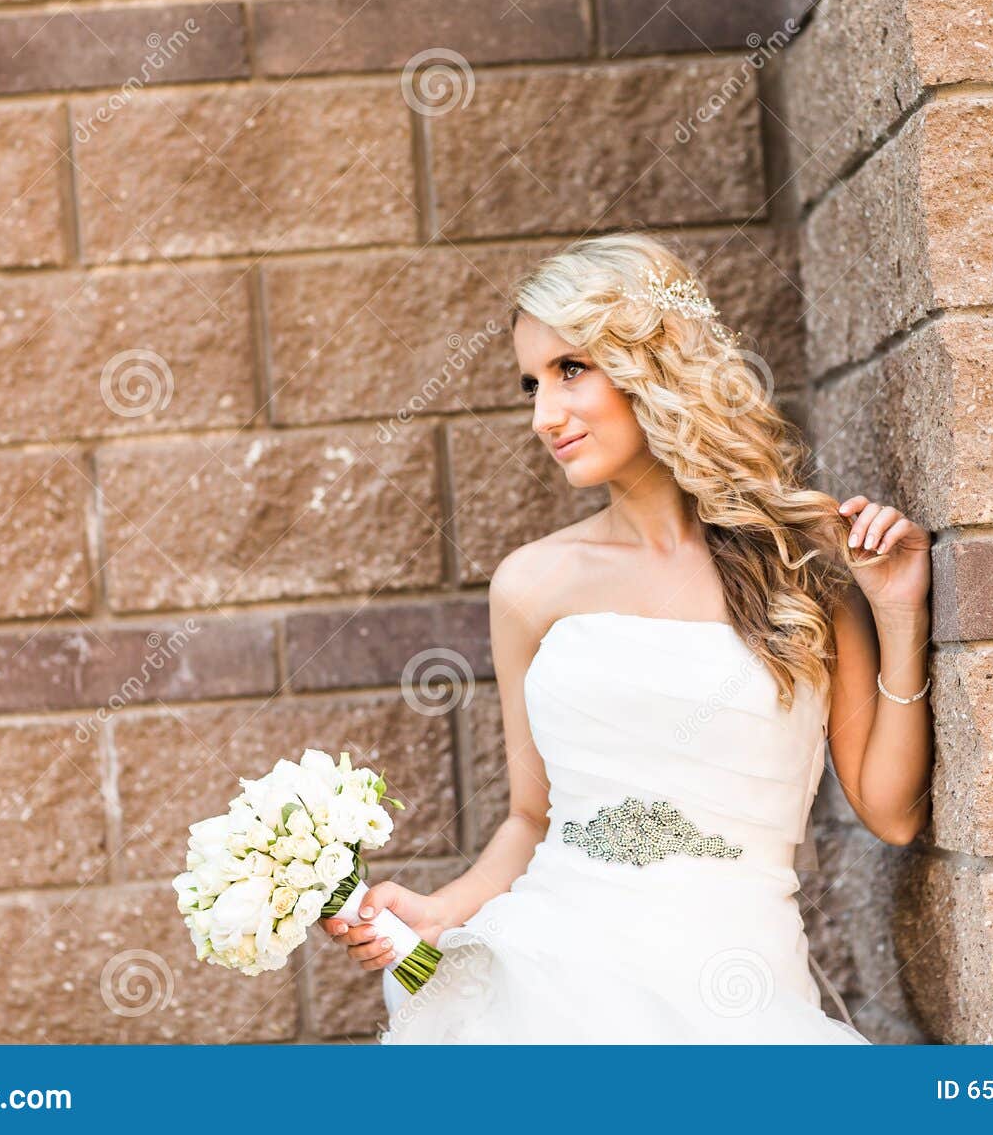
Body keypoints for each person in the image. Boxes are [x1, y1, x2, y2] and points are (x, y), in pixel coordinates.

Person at [321, 231, 935, 1042]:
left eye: (571, 369)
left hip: (743, 996)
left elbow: (891, 813)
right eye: (531, 384)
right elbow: (532, 820)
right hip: (548, 988)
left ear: (654, 360)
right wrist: (439, 909)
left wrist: (899, 614)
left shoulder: (803, 562)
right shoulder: (531, 585)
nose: (545, 415)